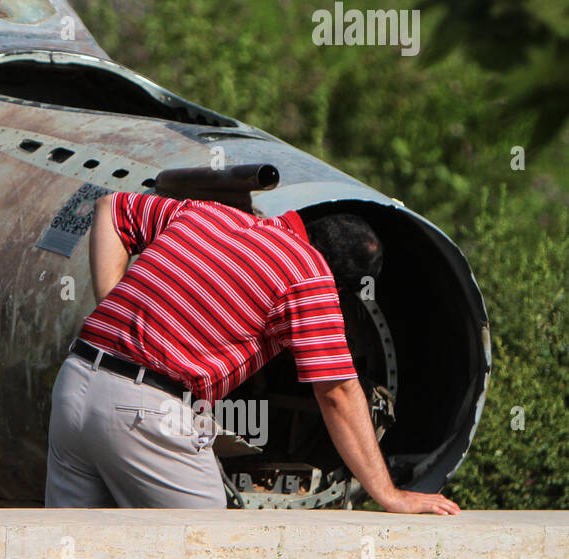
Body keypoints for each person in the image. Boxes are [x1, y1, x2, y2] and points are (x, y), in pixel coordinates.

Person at [44, 192, 459, 515]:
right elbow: (337, 393)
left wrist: (115, 309)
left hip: (76, 382)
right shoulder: (309, 276)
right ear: (342, 289)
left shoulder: (211, 215)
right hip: (147, 411)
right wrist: (388, 494)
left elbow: (111, 208)